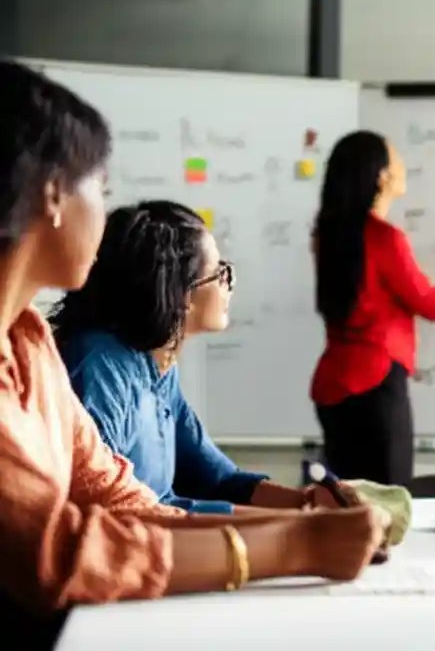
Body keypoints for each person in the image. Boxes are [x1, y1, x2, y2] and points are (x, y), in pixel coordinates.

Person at [0, 60, 382, 647]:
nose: (105, 218)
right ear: (53, 194)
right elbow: (57, 552)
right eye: (98, 191)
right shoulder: (92, 361)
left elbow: (117, 493)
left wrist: (302, 521)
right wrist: (292, 543)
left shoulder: (29, 340)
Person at [50, 201, 355, 513]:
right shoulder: (100, 366)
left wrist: (306, 503)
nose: (229, 286)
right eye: (220, 273)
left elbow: (218, 478)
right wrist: (295, 528)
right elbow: (110, 513)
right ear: (182, 295)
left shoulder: (159, 364)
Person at [312, 130, 435, 486]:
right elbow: (434, 305)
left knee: (347, 504)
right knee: (389, 504)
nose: (404, 166)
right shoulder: (383, 238)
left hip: (333, 387)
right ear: (382, 175)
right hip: (375, 387)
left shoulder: (327, 236)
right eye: (397, 158)